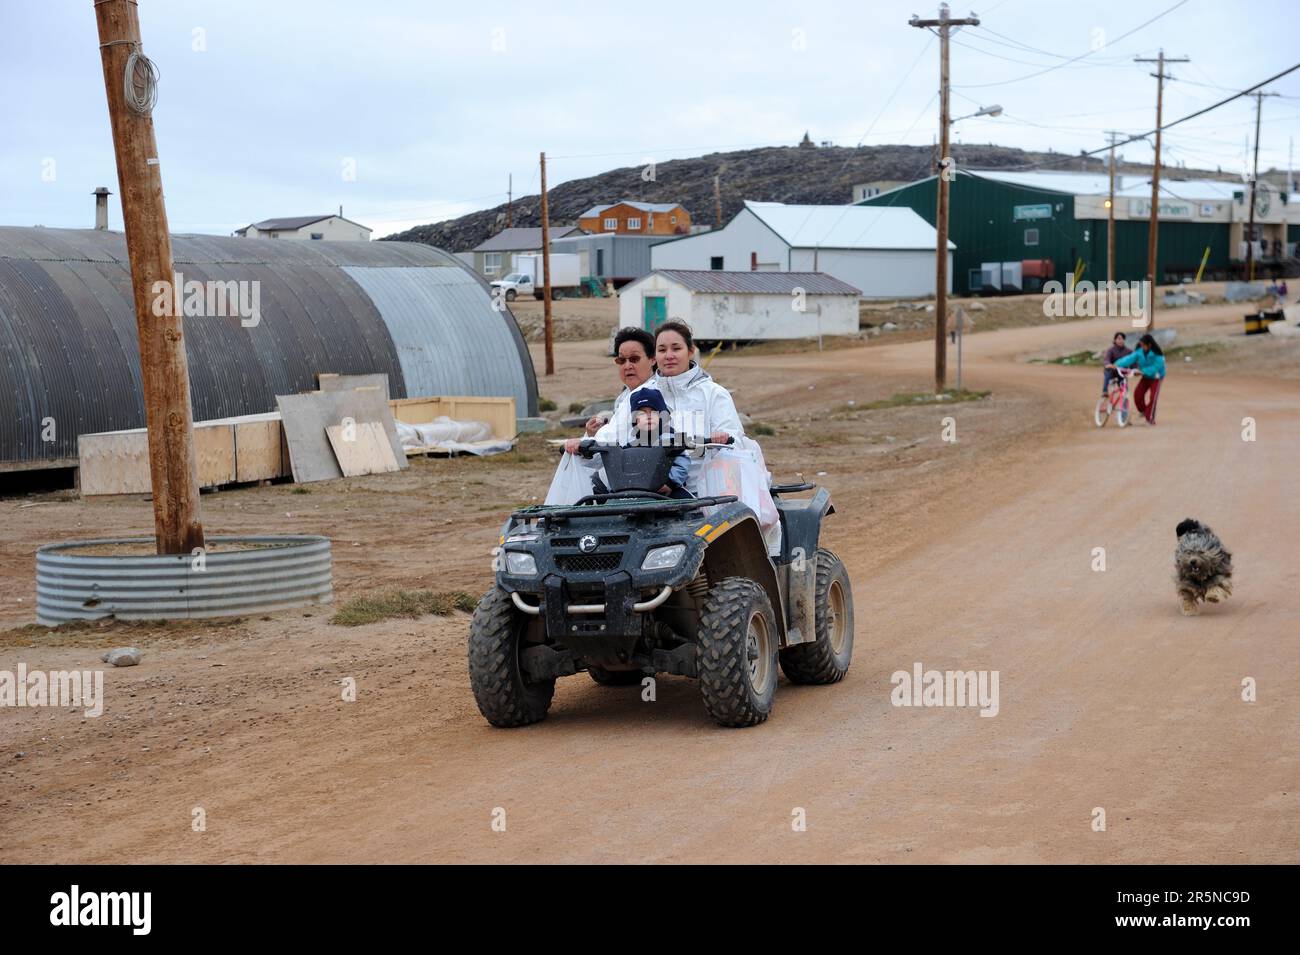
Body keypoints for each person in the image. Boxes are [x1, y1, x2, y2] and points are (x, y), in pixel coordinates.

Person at [562, 327, 655, 455]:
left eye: (634, 359)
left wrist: (594, 441)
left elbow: (636, 443)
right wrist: (593, 435)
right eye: (621, 360)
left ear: (652, 359)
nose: (627, 366)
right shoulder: (624, 397)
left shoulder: (656, 395)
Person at [1112, 333, 1166, 425]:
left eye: (1143, 345)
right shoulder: (1139, 352)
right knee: (1137, 395)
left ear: (1149, 345)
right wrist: (1116, 364)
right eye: (1141, 344)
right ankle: (1145, 412)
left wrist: (1142, 371)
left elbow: (1155, 368)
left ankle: (1150, 419)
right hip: (1145, 377)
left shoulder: (1158, 356)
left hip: (1156, 378)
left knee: (1153, 398)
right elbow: (1128, 359)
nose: (1141, 346)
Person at [1100, 332, 1132, 399]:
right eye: (1118, 339)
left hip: (1122, 372)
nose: (1120, 340)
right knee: (1108, 371)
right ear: (1115, 340)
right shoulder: (1111, 350)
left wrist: (1133, 369)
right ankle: (1105, 391)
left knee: (1124, 387)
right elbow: (1107, 359)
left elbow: (1133, 360)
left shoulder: (1128, 351)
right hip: (1112, 371)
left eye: (1122, 339)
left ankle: (1125, 403)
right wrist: (1109, 364)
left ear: (1124, 340)